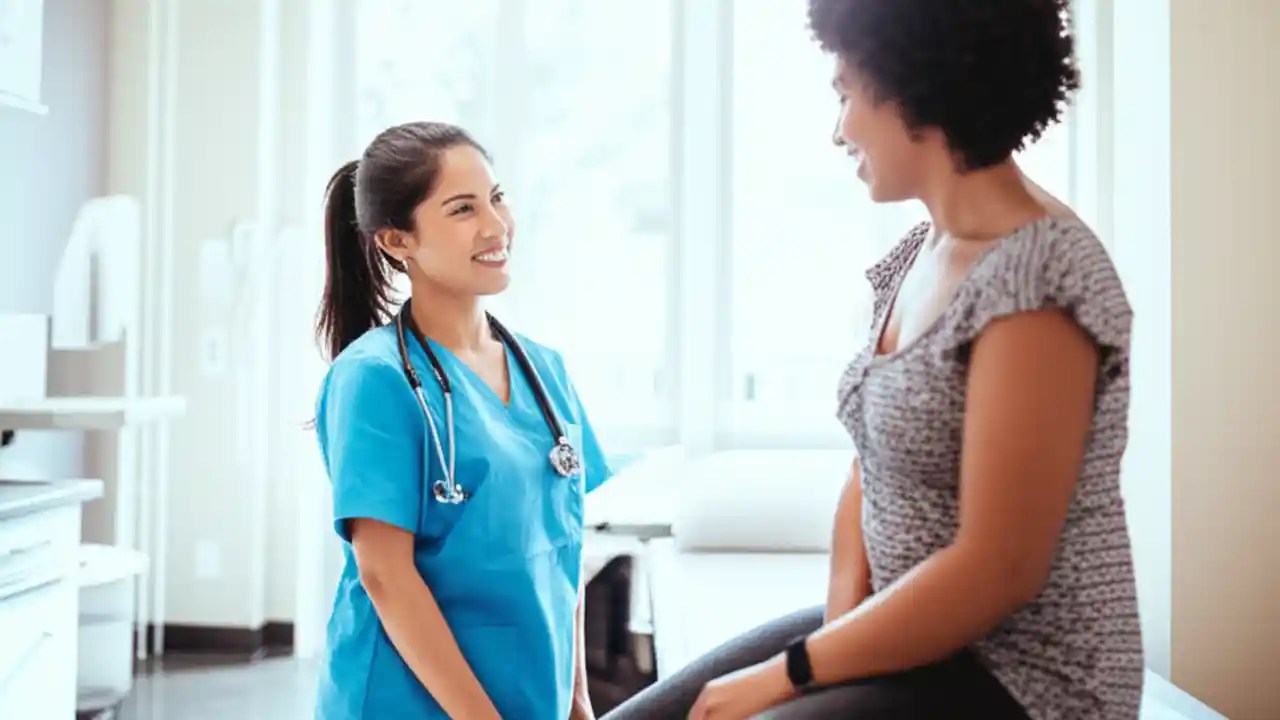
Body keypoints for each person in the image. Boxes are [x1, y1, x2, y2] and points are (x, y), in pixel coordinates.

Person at [605, 1, 1143, 719]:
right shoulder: (915, 256)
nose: (838, 131)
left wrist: (790, 674)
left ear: (918, 89)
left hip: (1022, 680)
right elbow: (870, 469)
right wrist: (833, 651)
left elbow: (999, 568)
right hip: (915, 639)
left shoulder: (1040, 277)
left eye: (844, 95)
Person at [312, 121, 613, 719]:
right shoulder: (374, 379)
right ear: (397, 241)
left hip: (529, 698)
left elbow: (565, 551)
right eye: (462, 209)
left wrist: (576, 697)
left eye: (497, 197)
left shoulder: (544, 373)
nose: (496, 225)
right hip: (408, 703)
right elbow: (384, 575)